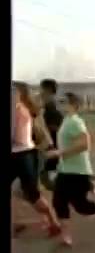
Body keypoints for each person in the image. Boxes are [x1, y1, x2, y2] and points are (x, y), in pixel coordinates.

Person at [44, 93, 95, 247]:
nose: (60, 104)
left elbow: (85, 144)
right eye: (59, 101)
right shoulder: (66, 121)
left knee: (81, 207)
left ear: (74, 105)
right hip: (65, 170)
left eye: (64, 101)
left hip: (77, 171)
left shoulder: (75, 122)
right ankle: (66, 238)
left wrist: (59, 153)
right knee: (59, 202)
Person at [11, 82, 61, 238]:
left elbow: (16, 134)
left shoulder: (20, 110)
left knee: (31, 193)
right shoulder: (26, 109)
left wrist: (49, 146)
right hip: (24, 154)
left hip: (23, 155)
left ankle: (53, 221)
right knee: (27, 192)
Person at [39, 78, 63, 191]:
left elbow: (56, 129)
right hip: (49, 149)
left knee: (50, 181)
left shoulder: (51, 110)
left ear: (48, 90)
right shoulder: (47, 108)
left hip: (51, 150)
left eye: (42, 89)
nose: (40, 92)